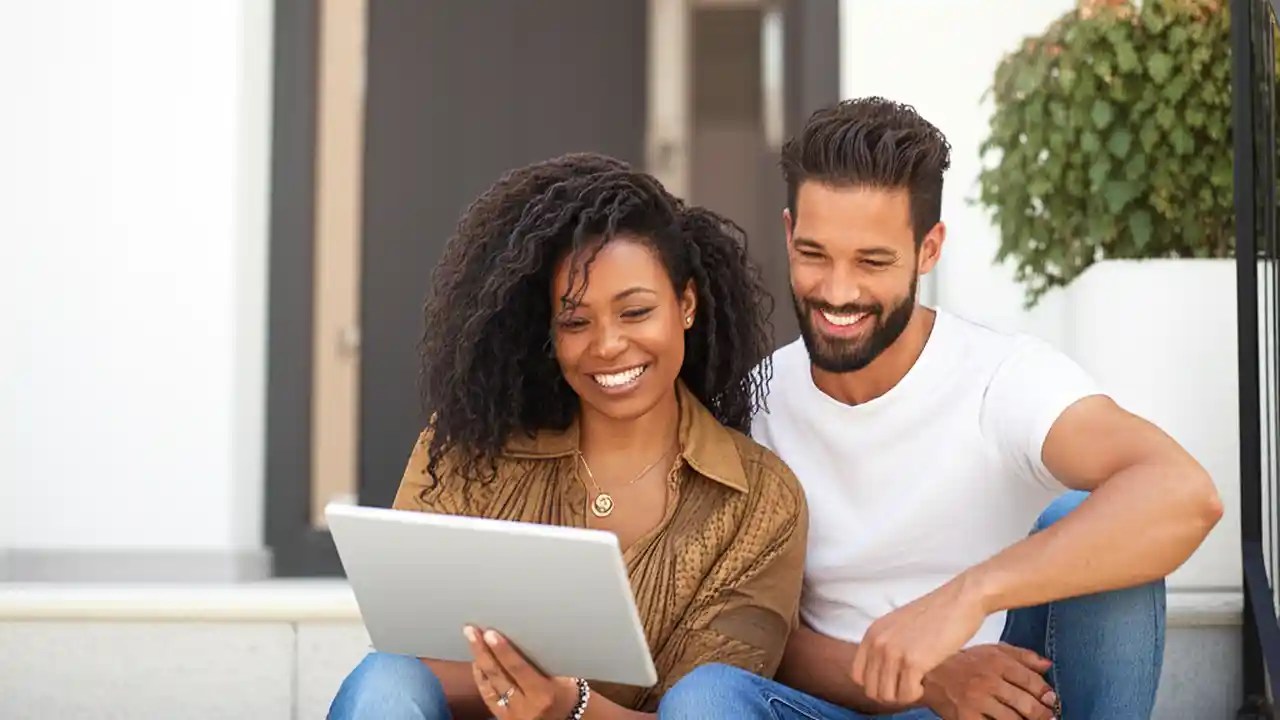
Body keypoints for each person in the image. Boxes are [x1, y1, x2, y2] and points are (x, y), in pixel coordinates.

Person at [659, 97, 1224, 719]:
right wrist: (927, 680)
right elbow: (759, 637)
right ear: (789, 234)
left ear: (928, 250)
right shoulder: (754, 404)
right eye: (815, 254)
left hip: (1006, 703)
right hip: (835, 707)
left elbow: (1183, 493)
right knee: (703, 699)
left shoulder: (1001, 379)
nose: (838, 291)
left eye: (873, 261)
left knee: (1101, 518)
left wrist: (969, 597)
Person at [327, 153, 808, 720]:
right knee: (386, 678)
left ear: (685, 305)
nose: (607, 345)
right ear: (549, 334)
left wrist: (569, 705)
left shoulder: (759, 502)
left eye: (635, 312)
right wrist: (517, 688)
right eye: (576, 322)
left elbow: (712, 710)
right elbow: (413, 647)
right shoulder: (470, 453)